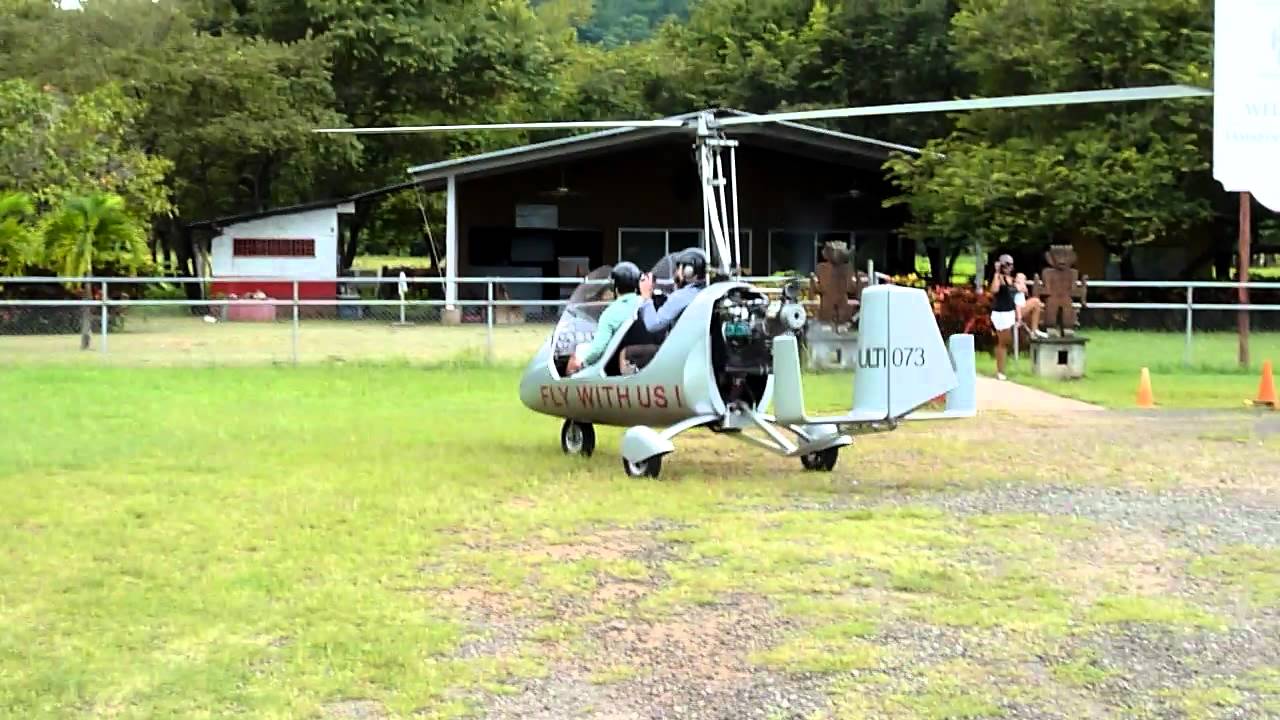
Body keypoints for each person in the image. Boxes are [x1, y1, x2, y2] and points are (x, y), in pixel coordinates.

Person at [565, 261, 643, 375]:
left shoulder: (610, 313)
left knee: (577, 354)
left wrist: (581, 363)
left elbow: (598, 349)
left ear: (615, 287)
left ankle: (568, 388)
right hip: (637, 359)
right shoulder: (645, 303)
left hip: (611, 363)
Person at [637, 247, 708, 334]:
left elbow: (653, 325)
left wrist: (646, 295)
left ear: (688, 271)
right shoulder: (707, 291)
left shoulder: (681, 296)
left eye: (678, 267)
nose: (676, 272)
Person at [989, 254, 1018, 380]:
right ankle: (1000, 371)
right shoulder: (998, 278)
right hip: (1001, 313)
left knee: (1035, 303)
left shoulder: (1011, 279)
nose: (1008, 267)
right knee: (1003, 342)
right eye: (1005, 264)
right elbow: (994, 290)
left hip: (1011, 311)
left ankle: (1034, 330)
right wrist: (996, 273)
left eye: (1010, 264)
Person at [1013, 272, 1048, 339]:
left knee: (1037, 305)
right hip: (1016, 310)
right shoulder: (1016, 285)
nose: (1022, 280)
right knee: (1035, 301)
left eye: (1023, 279)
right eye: (1019, 278)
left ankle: (1034, 330)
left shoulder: (1021, 285)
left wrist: (1024, 285)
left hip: (1021, 306)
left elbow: (1025, 292)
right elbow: (1022, 289)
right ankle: (1034, 331)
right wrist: (1022, 284)